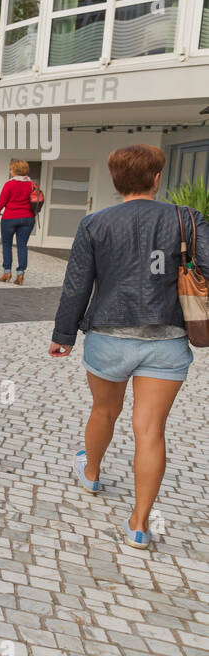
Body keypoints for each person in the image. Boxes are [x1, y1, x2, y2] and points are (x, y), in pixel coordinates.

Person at [50, 143, 209, 550]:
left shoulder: (94, 224)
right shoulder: (187, 218)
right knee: (151, 430)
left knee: (104, 410)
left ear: (116, 181)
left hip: (108, 336)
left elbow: (76, 285)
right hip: (168, 340)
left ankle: (92, 472)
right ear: (157, 179)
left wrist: (63, 335)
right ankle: (139, 524)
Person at [0, 159, 36, 284]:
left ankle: (7, 272)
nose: (10, 171)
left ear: (15, 170)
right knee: (22, 245)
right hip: (28, 218)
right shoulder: (32, 184)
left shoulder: (9, 184)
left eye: (11, 169)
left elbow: (1, 202)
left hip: (9, 218)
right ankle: (20, 274)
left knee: (7, 245)